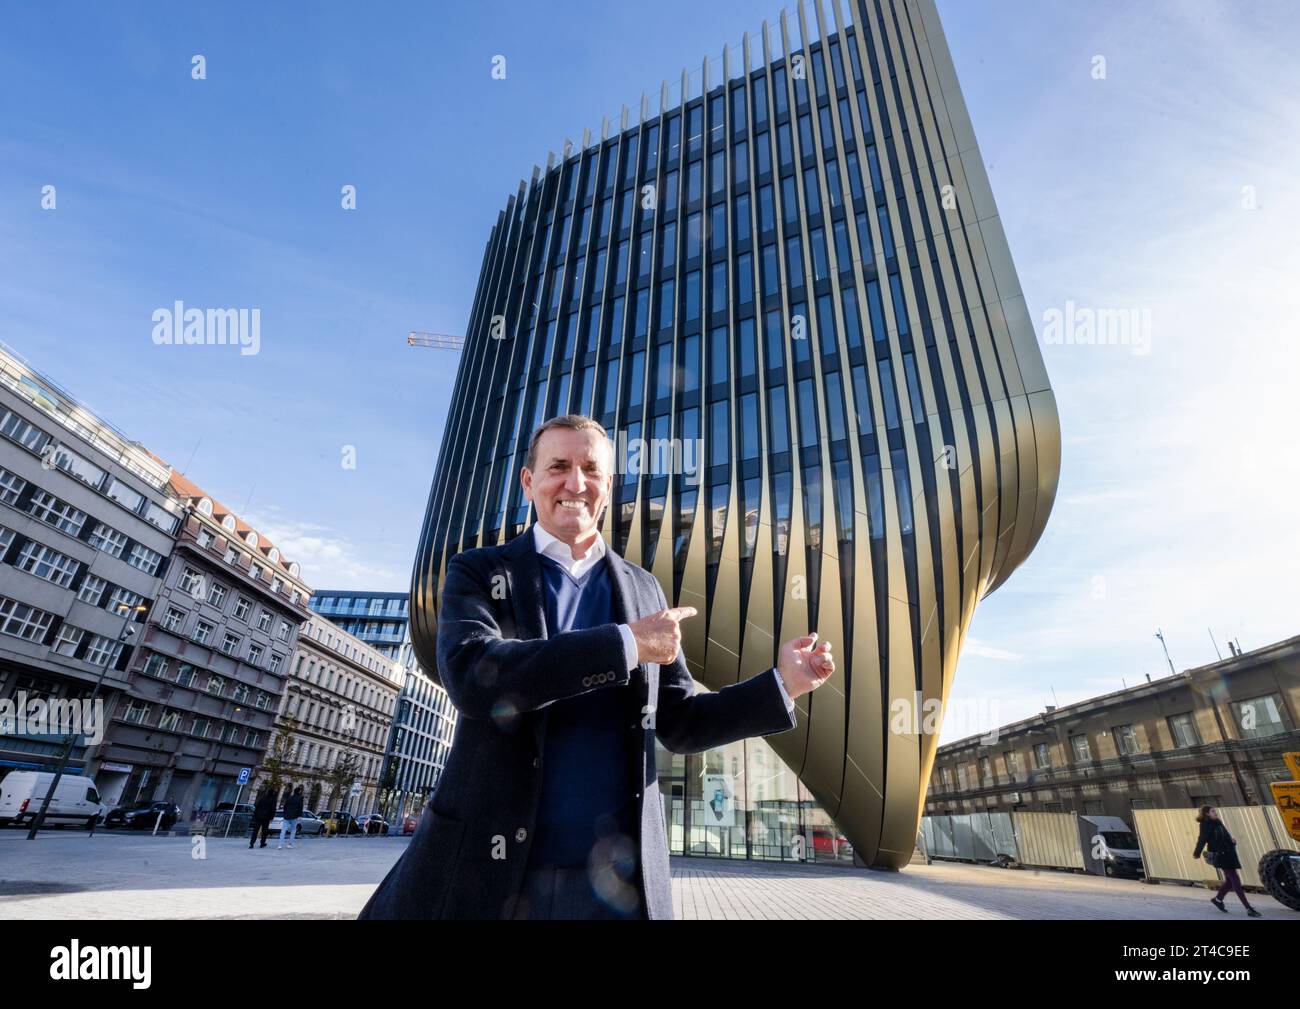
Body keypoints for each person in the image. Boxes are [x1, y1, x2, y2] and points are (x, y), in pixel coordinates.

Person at [358, 415, 836, 920]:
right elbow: (476, 675)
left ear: (608, 485)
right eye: (558, 466)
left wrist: (784, 683)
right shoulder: (478, 571)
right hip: (496, 871)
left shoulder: (644, 588)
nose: (575, 483)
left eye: (591, 469)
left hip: (616, 887)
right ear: (529, 481)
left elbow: (681, 721)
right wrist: (625, 644)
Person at [1193, 805, 1262, 916]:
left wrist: (1232, 841)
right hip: (1221, 855)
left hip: (1229, 852)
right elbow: (1202, 840)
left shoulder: (1217, 821)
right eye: (1213, 811)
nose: (1216, 812)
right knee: (1235, 880)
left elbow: (1225, 834)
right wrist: (1197, 853)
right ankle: (1248, 908)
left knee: (1230, 881)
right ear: (1207, 813)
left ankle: (1218, 900)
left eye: (1215, 810)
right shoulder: (1205, 825)